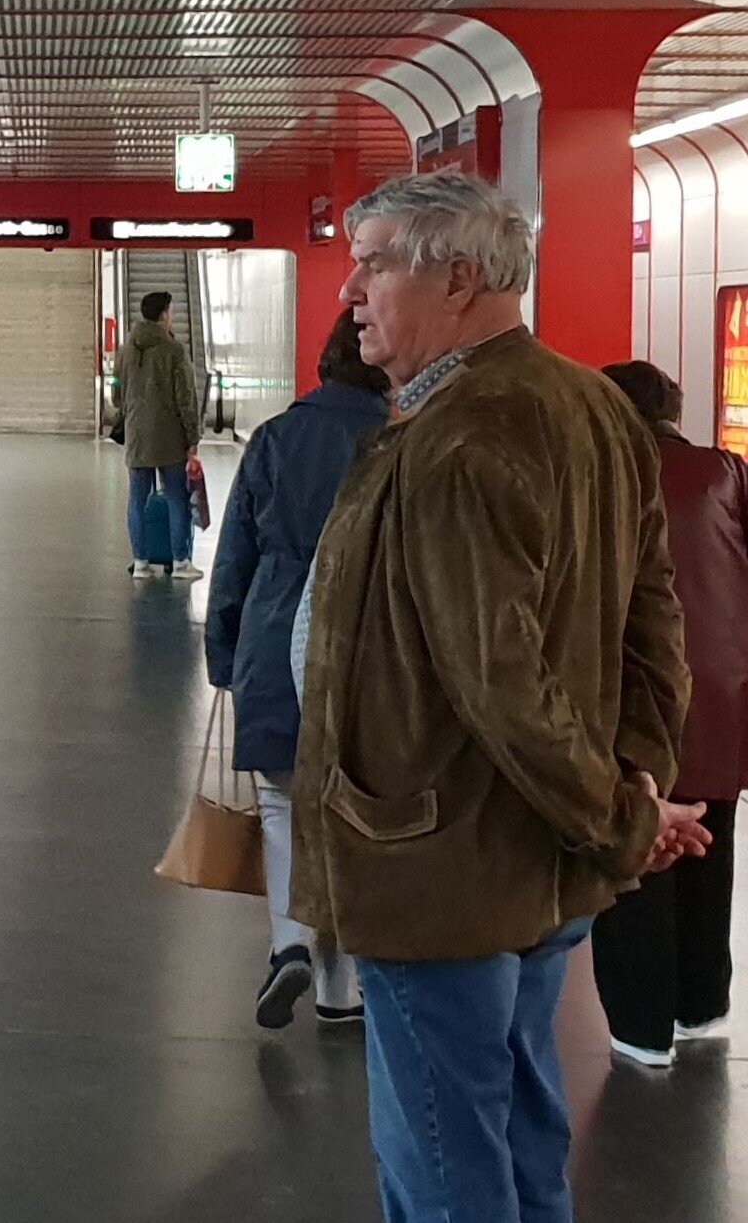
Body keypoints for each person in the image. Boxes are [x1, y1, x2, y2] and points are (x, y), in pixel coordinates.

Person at [288, 171, 699, 1223]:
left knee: (439, 1153)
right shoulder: (589, 404)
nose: (349, 288)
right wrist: (638, 783)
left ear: (458, 276)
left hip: (439, 867)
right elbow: (654, 617)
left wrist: (620, 813)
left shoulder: (460, 434)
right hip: (538, 861)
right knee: (519, 1125)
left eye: (374, 260)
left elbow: (498, 679)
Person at [588, 360, 748, 1069]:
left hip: (634, 680)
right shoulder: (725, 471)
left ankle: (639, 1026)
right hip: (724, 680)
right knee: (710, 832)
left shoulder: (595, 471)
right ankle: (700, 1005)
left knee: (635, 837)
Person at [205, 308, 390, 1029]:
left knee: (283, 806)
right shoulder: (398, 441)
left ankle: (289, 947)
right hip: (369, 643)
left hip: (274, 628)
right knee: (349, 818)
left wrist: (224, 649)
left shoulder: (276, 438)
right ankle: (340, 989)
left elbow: (236, 553)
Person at [120, 289, 206, 579]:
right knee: (176, 497)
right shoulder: (174, 350)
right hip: (169, 436)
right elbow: (186, 398)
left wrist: (131, 416)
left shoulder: (126, 349)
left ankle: (141, 563)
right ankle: (181, 562)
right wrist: (193, 436)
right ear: (165, 314)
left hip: (137, 436)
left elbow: (116, 392)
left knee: (137, 499)